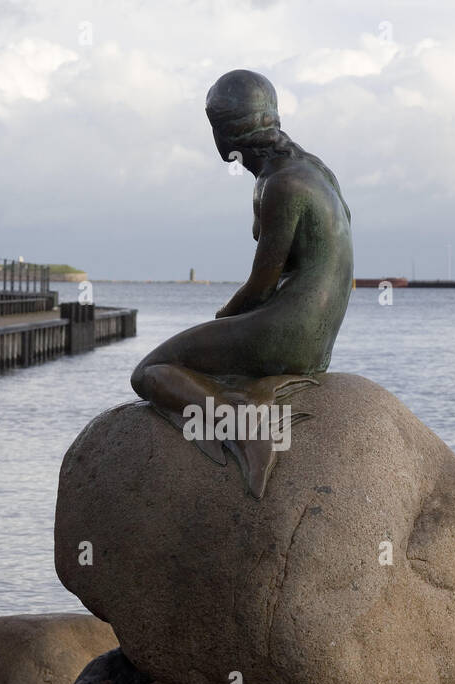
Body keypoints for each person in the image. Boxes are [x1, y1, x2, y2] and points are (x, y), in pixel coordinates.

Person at [131, 69, 354, 496]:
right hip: (317, 338)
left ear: (223, 136)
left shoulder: (282, 185)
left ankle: (243, 422)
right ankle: (245, 396)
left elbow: (261, 285)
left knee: (150, 372)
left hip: (292, 332)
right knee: (200, 351)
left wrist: (221, 320)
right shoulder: (315, 170)